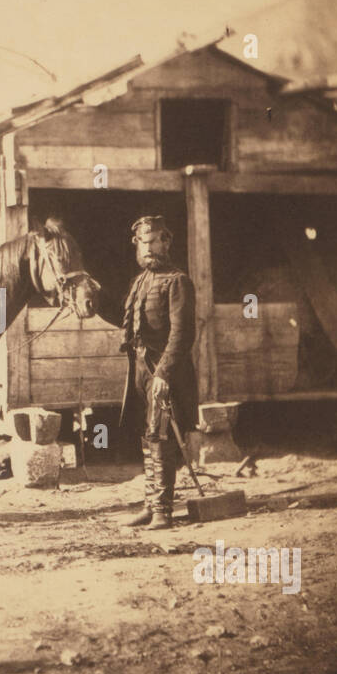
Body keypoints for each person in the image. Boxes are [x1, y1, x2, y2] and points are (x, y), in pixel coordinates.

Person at [119, 216, 199, 529]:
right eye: (143, 242)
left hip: (166, 372)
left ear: (166, 242)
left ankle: (164, 511)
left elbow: (182, 333)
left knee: (162, 434)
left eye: (154, 241)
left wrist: (164, 373)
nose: (149, 248)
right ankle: (150, 506)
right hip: (140, 370)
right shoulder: (139, 281)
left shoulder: (177, 281)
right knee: (147, 435)